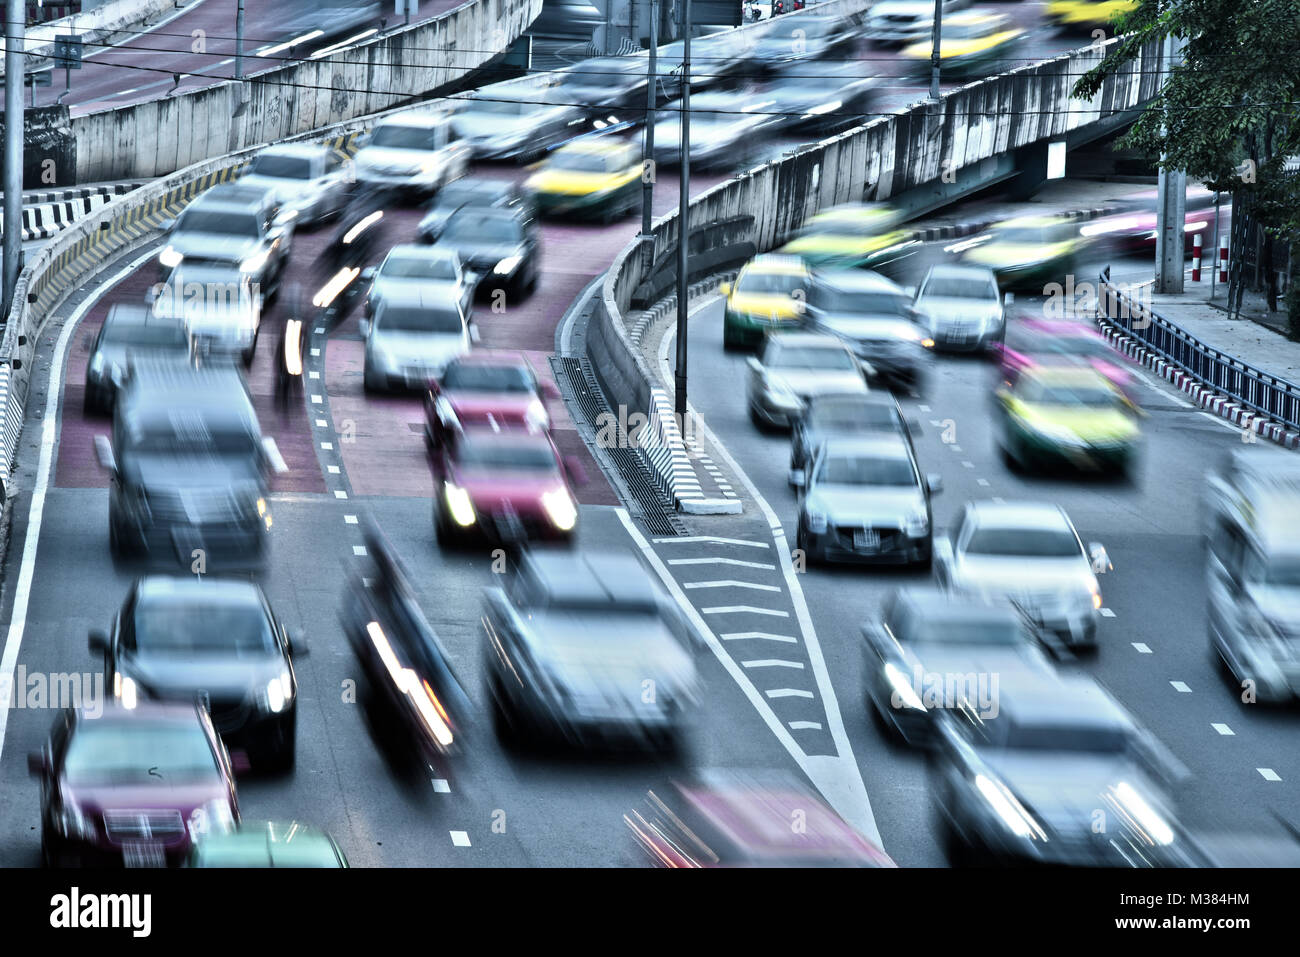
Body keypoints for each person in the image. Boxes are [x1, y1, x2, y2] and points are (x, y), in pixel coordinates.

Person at [275, 284, 307, 413]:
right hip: (292, 351)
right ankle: (295, 400)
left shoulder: (287, 319)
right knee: (293, 377)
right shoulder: (299, 320)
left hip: (287, 351)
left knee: (285, 375)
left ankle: (284, 400)